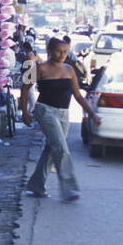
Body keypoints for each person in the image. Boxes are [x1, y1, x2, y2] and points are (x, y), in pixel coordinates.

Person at [21, 36, 100, 202]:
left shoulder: (69, 69)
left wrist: (92, 114)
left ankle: (36, 186)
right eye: (58, 51)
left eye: (65, 51)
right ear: (50, 51)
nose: (62, 54)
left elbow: (78, 95)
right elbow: (24, 88)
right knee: (61, 148)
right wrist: (25, 112)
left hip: (64, 113)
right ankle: (70, 188)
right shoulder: (39, 68)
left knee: (51, 149)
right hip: (45, 111)